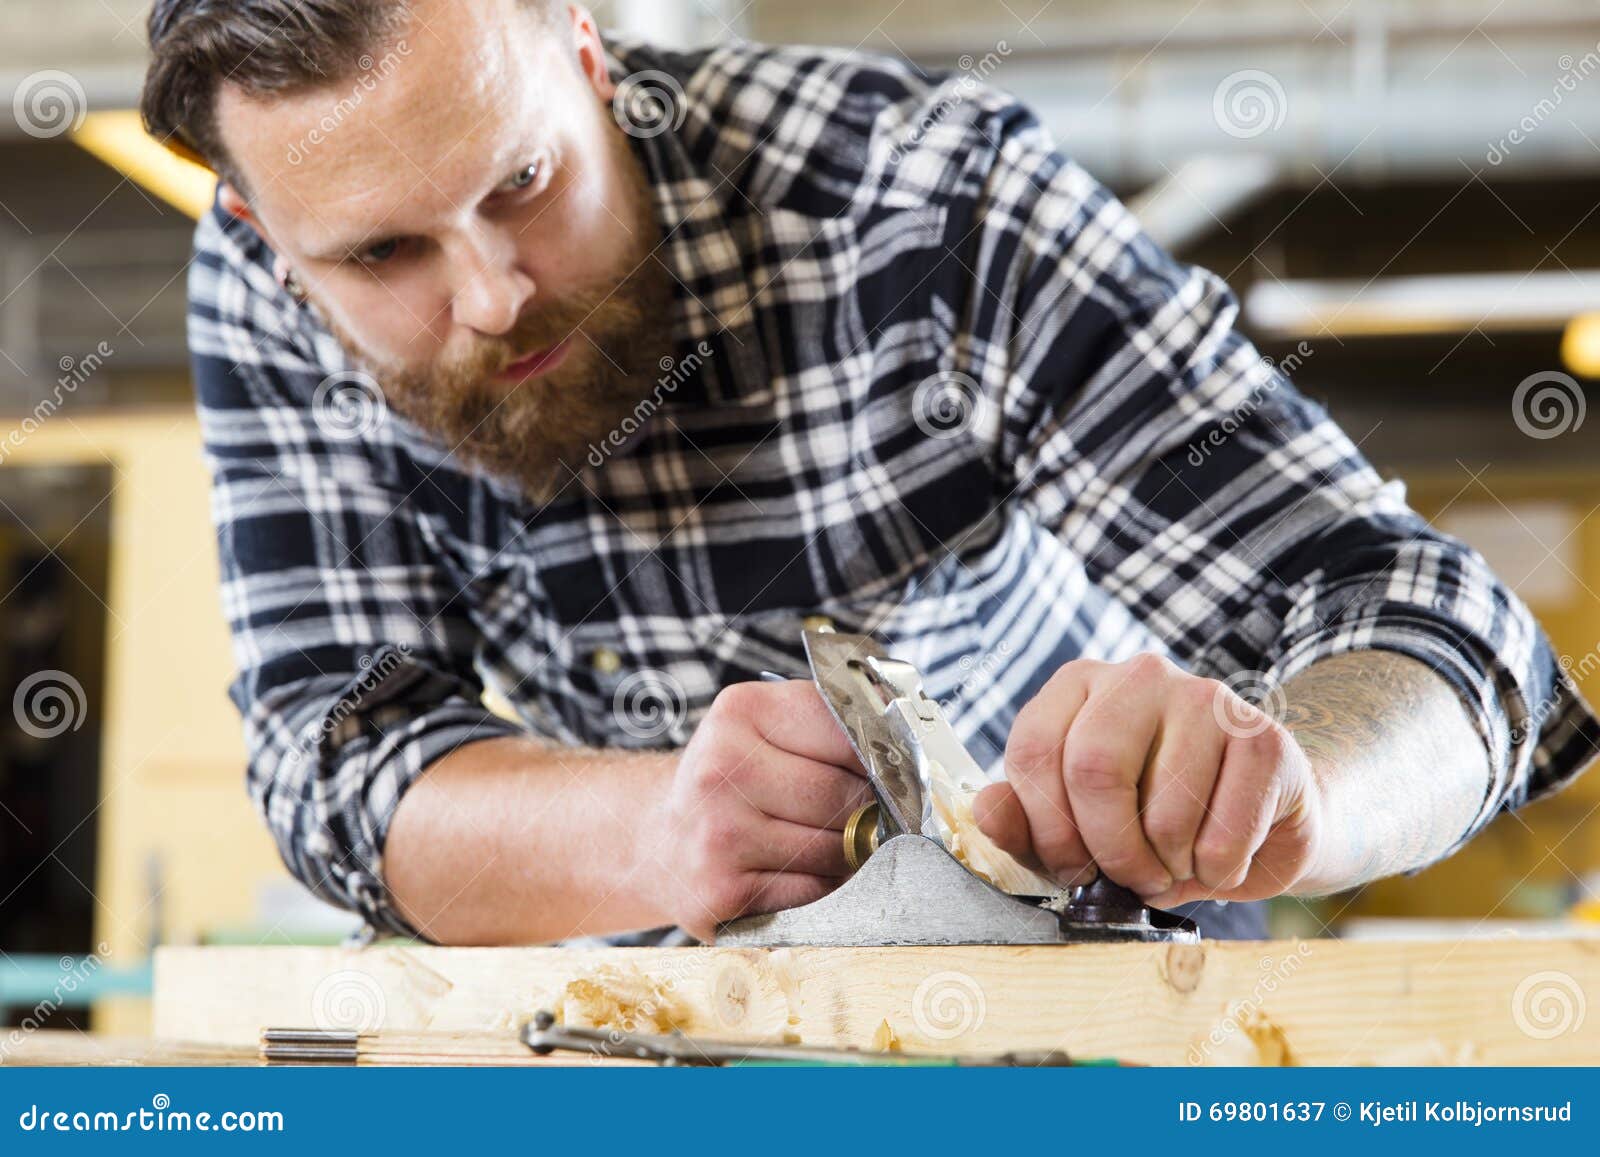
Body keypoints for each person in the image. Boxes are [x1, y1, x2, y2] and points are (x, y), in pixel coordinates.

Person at [140, 0, 1597, 945]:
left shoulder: (929, 199)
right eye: (384, 253)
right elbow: (341, 756)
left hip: (1106, 967)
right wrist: (658, 830)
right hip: (678, 1004)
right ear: (269, 236)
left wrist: (1293, 787)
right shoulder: (266, 287)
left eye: (524, 180)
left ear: (587, 57)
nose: (493, 296)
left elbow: (1432, 620)